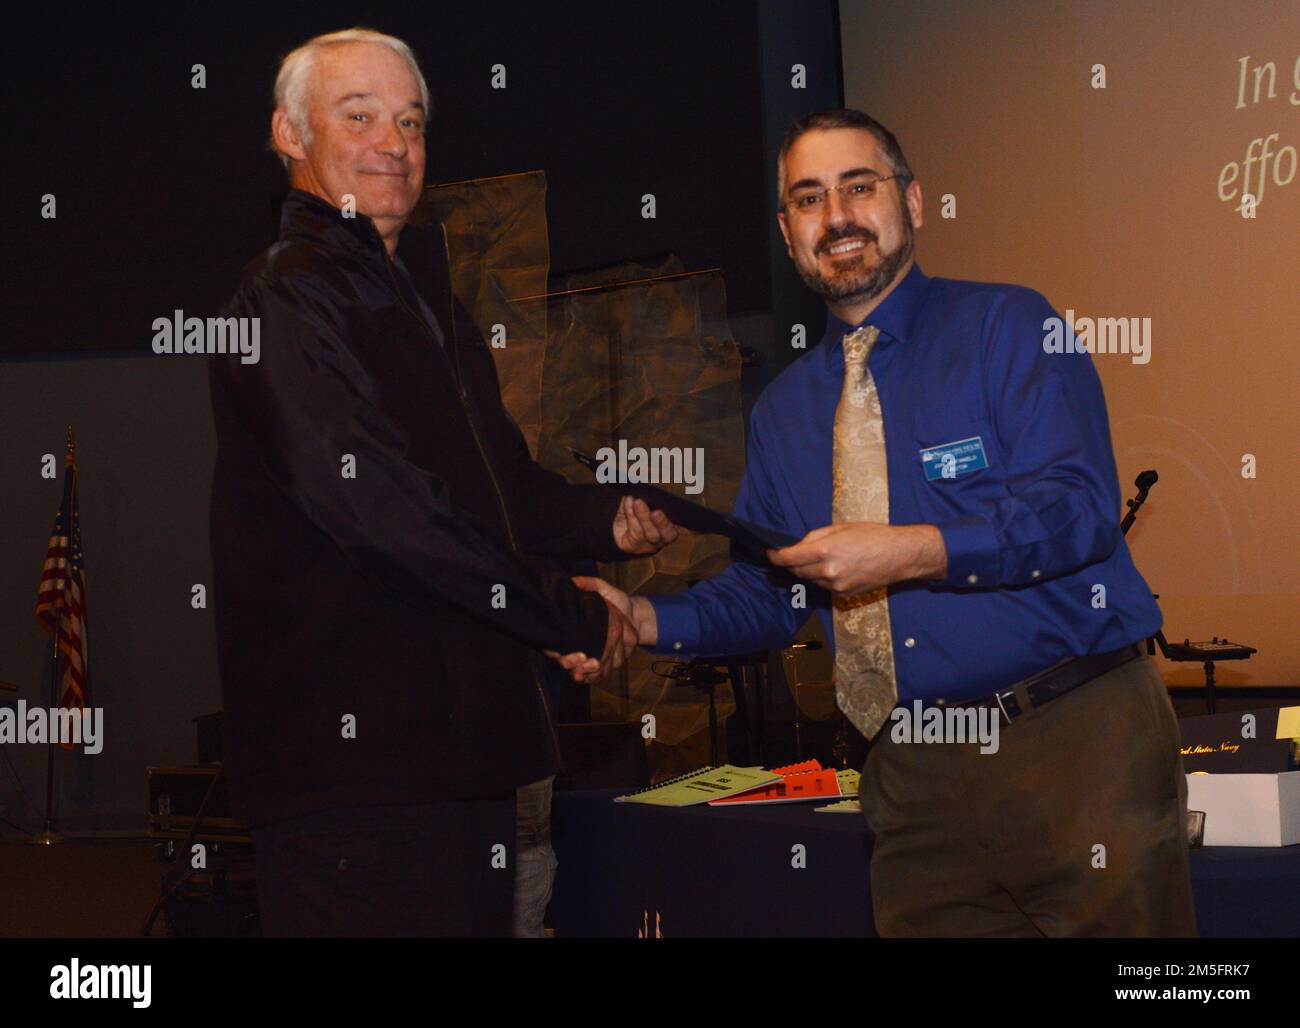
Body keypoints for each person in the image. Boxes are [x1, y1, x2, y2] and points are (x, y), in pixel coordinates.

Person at [559, 109, 1197, 938]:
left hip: (1075, 745)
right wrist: (644, 619)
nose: (838, 216)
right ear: (788, 234)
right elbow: (771, 594)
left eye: (860, 186)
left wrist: (909, 553)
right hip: (906, 777)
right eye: (809, 198)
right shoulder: (786, 412)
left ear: (915, 202)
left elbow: (1076, 513)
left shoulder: (1009, 327)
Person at [208, 28, 676, 937]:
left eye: (412, 122)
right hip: (357, 783)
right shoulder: (281, 298)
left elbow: (500, 494)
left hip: (471, 766)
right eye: (361, 116)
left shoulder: (428, 303)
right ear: (289, 134)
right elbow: (379, 509)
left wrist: (605, 522)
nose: (395, 142)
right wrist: (561, 615)